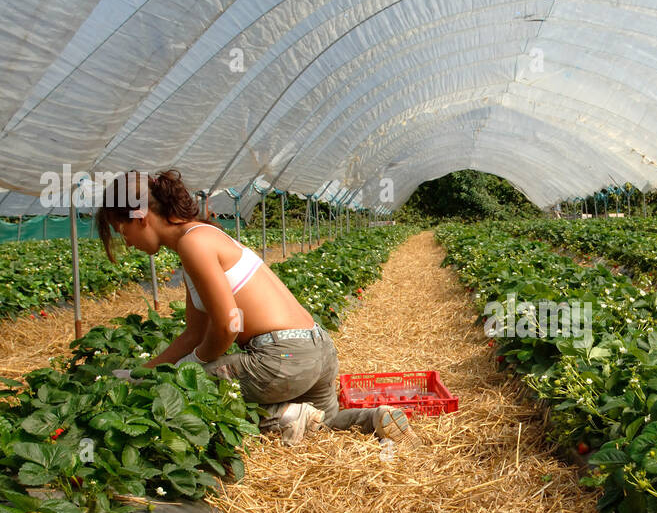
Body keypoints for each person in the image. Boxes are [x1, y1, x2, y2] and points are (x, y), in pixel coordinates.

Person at [96, 170, 417, 447]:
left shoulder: (193, 244)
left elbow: (227, 326)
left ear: (139, 217)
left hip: (281, 359)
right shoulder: (204, 237)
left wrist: (192, 367)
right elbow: (193, 333)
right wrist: (144, 372)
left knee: (181, 391)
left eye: (122, 231)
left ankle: (283, 416)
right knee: (327, 422)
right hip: (316, 351)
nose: (127, 243)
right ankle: (374, 417)